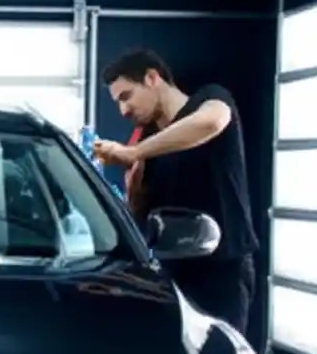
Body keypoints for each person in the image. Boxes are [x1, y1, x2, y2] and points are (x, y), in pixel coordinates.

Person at [92, 48, 259, 336]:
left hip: (223, 268)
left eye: (126, 96)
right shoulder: (143, 141)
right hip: (172, 274)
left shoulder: (209, 99)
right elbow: (140, 217)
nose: (123, 111)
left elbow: (212, 122)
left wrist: (134, 153)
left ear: (152, 77)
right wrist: (134, 189)